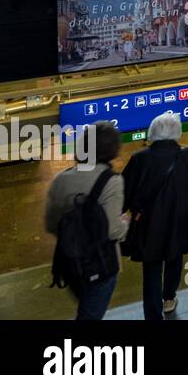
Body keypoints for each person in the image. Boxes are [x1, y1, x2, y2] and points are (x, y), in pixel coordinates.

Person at [122, 111, 188, 320]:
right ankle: (169, 299)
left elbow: (124, 191)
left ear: (152, 132)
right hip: (179, 221)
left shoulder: (139, 158)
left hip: (148, 224)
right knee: (174, 258)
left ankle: (152, 314)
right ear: (177, 132)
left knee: (151, 268)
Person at [45, 122, 128, 320]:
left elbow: (51, 224)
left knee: (86, 307)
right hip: (101, 262)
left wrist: (75, 234)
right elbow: (112, 231)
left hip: (69, 261)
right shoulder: (112, 182)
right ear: (112, 151)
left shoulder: (60, 179)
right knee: (90, 314)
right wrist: (125, 223)